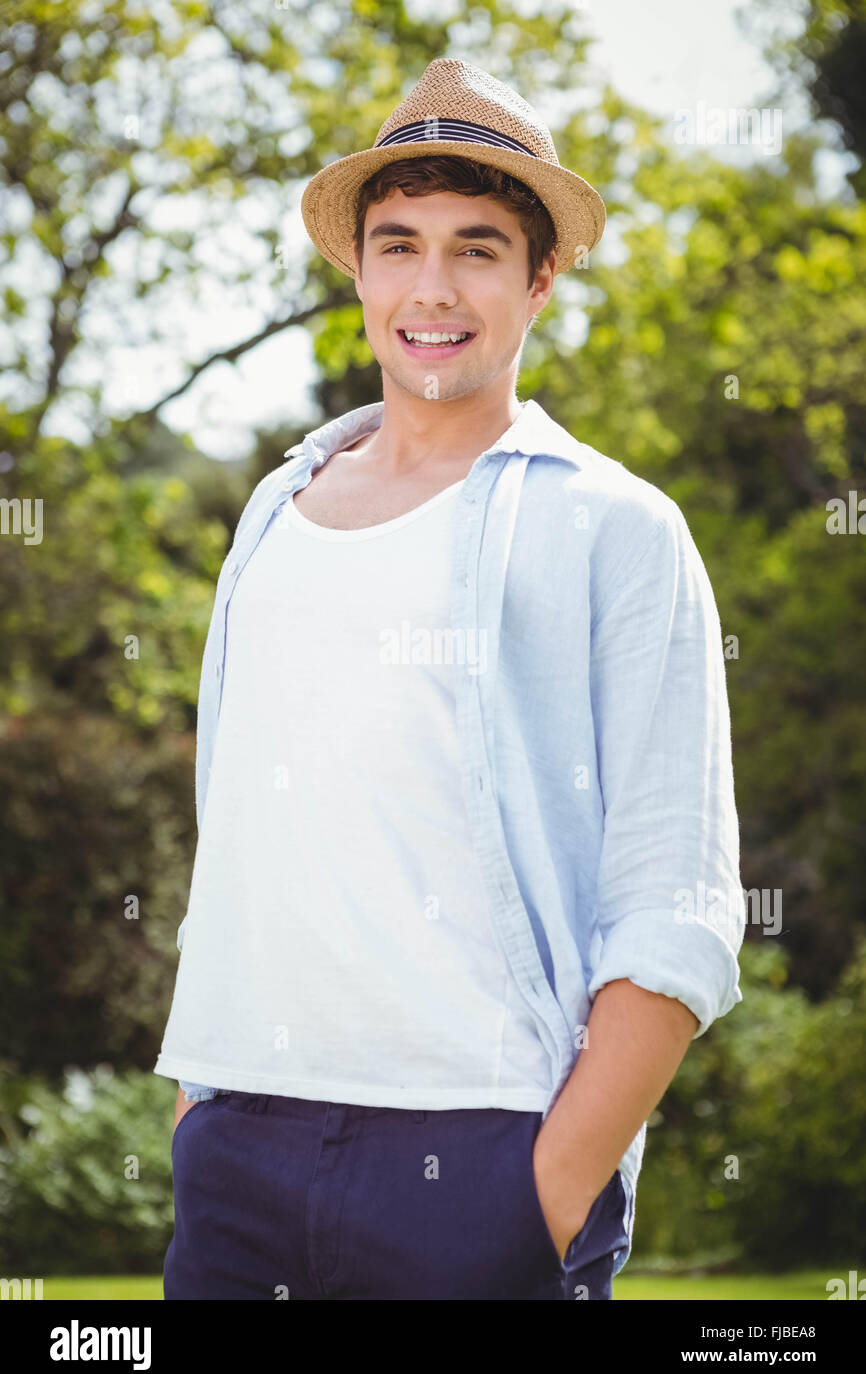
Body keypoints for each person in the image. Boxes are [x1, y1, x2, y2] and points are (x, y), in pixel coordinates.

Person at [154, 57, 746, 1301]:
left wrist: (551, 1182)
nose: (432, 288)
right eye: (398, 244)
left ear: (539, 278)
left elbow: (675, 899)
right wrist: (196, 1108)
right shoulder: (271, 513)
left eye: (477, 249)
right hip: (237, 1160)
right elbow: (239, 830)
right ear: (355, 271)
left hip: (481, 1161)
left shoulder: (617, 531)